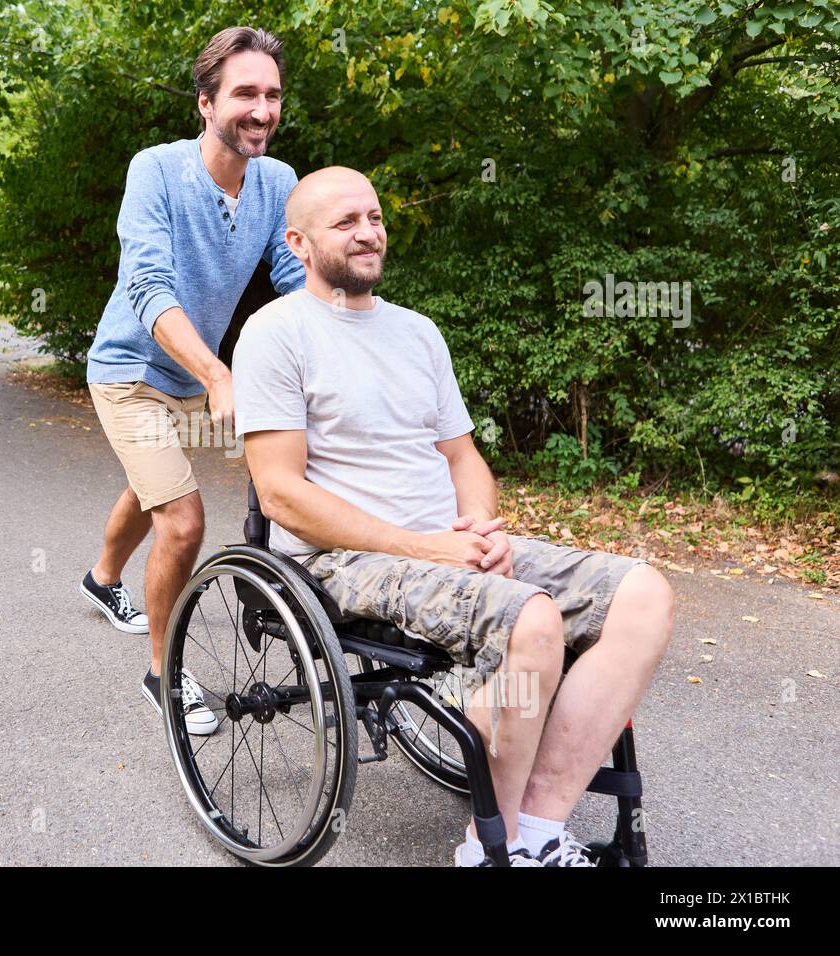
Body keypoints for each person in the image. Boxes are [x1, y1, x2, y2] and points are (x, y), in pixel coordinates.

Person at [232, 166, 675, 866]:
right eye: (346, 222)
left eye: (374, 217)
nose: (368, 232)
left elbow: (463, 457)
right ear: (299, 241)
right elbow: (282, 494)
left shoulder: (417, 333)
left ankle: (535, 827)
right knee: (531, 620)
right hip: (340, 557)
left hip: (443, 543)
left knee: (643, 594)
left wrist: (482, 530)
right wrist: (427, 548)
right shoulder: (274, 334)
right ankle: (488, 848)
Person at [81, 27, 305, 735]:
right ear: (206, 103)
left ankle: (101, 579)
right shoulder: (156, 170)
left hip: (193, 375)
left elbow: (297, 283)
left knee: (152, 481)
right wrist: (218, 372)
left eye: (271, 94)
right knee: (182, 519)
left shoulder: (279, 183)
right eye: (245, 93)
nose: (261, 109)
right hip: (132, 368)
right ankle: (162, 673)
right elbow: (146, 285)